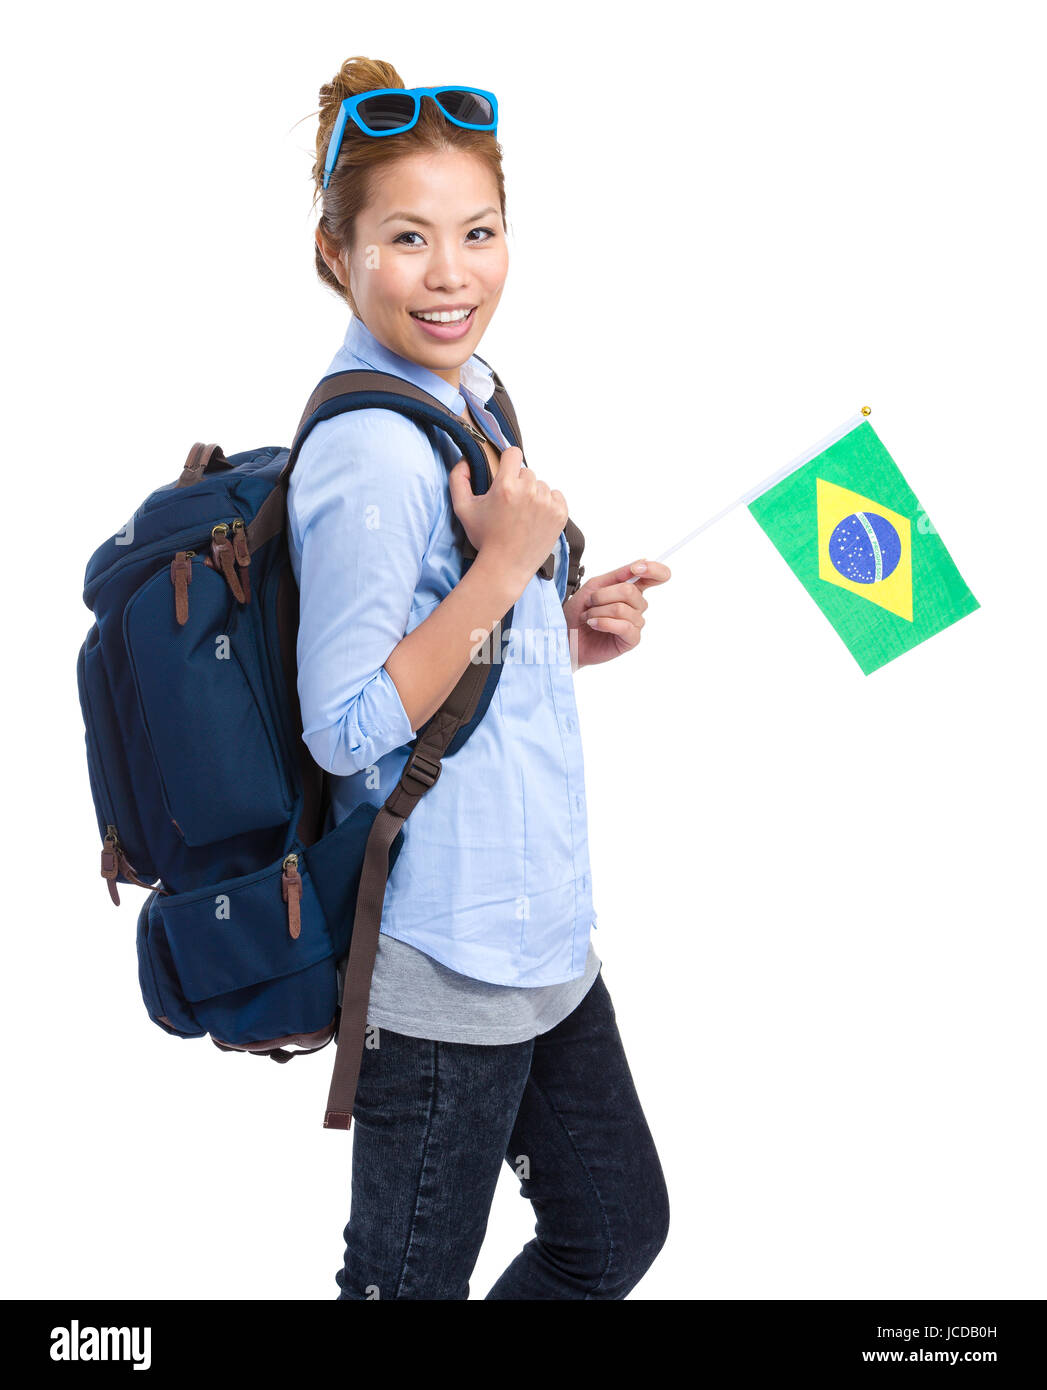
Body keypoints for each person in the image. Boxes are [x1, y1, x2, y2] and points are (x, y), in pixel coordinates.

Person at [289, 56, 673, 1300]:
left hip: (542, 935)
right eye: (407, 237)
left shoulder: (472, 393)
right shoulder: (368, 455)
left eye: (479, 231)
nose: (451, 273)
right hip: (443, 961)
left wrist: (557, 623)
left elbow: (453, 653)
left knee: (613, 1232)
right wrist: (500, 574)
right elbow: (346, 726)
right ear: (338, 253)